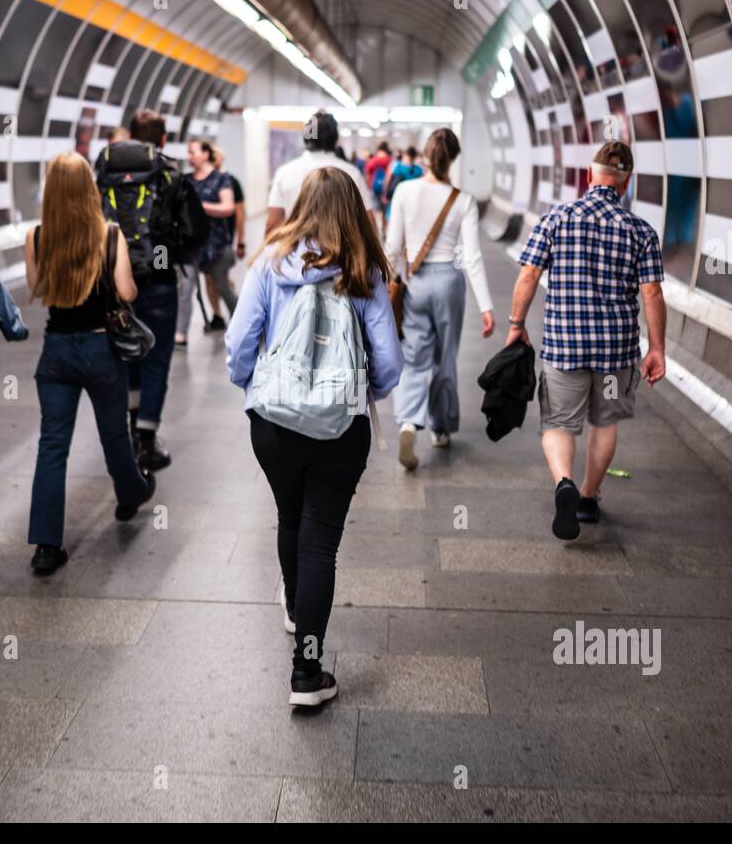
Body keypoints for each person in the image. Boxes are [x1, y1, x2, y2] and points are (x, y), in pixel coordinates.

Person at [225, 167, 402, 707]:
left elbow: (238, 346)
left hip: (274, 424)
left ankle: (296, 607)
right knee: (320, 540)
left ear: (302, 204)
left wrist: (254, 384)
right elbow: (390, 365)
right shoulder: (364, 271)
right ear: (353, 212)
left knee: (288, 515)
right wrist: (355, 389)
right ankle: (307, 672)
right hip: (339, 428)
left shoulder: (270, 262)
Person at [506, 140, 667, 540]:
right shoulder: (640, 231)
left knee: (559, 423)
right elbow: (652, 294)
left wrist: (516, 323)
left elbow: (528, 275)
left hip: (564, 346)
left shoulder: (557, 218)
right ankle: (590, 498)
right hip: (616, 351)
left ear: (589, 175)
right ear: (626, 183)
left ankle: (564, 482)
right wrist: (657, 348)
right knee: (605, 420)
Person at [25, 153, 154, 574]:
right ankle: (131, 494)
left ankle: (46, 545)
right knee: (114, 434)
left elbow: (38, 289)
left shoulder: (37, 236)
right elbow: (127, 293)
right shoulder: (110, 235)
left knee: (52, 445)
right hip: (101, 349)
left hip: (57, 351)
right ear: (90, 188)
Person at [94, 109, 208, 472]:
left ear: (129, 134)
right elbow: (194, 231)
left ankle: (128, 428)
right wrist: (169, 254)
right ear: (162, 139)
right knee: (156, 358)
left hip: (113, 277)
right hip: (157, 274)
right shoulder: (171, 173)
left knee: (125, 355)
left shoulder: (105, 170)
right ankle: (147, 441)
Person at [387, 129, 495, 469]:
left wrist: (386, 285)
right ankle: (441, 427)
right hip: (449, 280)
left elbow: (392, 248)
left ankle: (408, 421)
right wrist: (486, 305)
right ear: (453, 159)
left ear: (424, 158)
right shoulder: (463, 201)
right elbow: (472, 257)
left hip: (415, 282)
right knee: (445, 356)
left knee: (415, 354)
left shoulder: (404, 191)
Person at [265, 110, 375, 235]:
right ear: (335, 138)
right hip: (341, 251)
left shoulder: (284, 172)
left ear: (306, 138)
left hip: (295, 249)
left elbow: (273, 223)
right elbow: (369, 222)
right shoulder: (351, 173)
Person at [176, 138, 236, 341]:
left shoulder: (221, 179)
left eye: (193, 152)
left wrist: (199, 206)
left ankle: (241, 322)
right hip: (191, 245)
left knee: (221, 286)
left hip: (216, 245)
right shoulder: (185, 180)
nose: (190, 157)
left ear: (205, 154)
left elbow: (228, 208)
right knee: (185, 287)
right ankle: (180, 333)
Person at [204, 145, 245, 326]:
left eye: (216, 154)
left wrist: (241, 241)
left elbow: (239, 212)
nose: (214, 157)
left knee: (220, 281)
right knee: (209, 278)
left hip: (224, 239)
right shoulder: (203, 182)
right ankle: (217, 315)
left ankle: (238, 317)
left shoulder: (231, 182)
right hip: (205, 240)